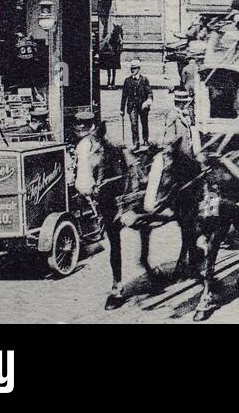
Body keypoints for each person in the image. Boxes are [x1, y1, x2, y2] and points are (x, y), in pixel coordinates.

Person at [74, 110, 136, 309]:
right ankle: (117, 283)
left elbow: (129, 167)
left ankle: (117, 287)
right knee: (112, 239)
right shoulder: (85, 145)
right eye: (78, 124)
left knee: (115, 241)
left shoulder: (105, 144)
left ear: (91, 125)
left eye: (84, 124)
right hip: (101, 192)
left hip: (118, 192)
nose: (79, 127)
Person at [119, 60, 153, 149]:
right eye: (131, 68)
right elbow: (124, 95)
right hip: (132, 106)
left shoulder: (144, 80)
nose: (132, 70)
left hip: (143, 106)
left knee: (144, 123)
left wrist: (148, 101)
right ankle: (136, 142)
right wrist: (121, 109)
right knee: (134, 124)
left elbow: (149, 92)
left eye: (134, 68)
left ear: (139, 69)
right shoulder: (127, 80)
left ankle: (145, 139)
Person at [99, 24, 124, 88]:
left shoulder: (119, 36)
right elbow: (107, 43)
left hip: (115, 54)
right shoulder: (110, 36)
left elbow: (121, 43)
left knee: (114, 69)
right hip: (110, 54)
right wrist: (111, 49)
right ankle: (109, 82)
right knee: (109, 68)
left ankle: (113, 82)